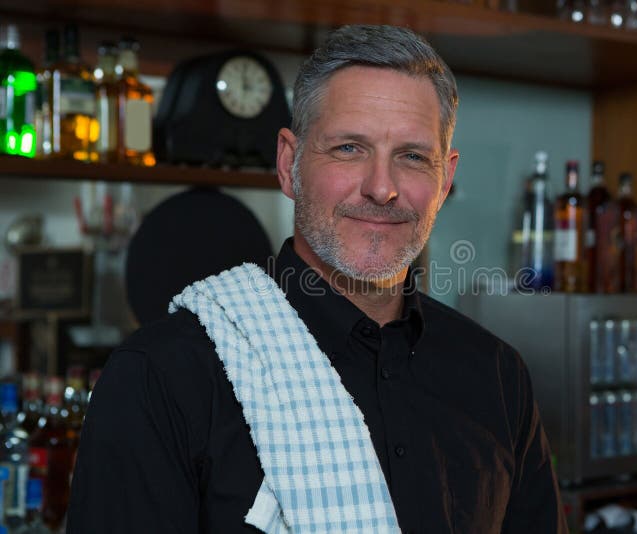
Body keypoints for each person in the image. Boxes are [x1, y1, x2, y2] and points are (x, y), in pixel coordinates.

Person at [67, 25, 567, 533]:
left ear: (446, 179)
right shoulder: (162, 376)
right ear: (289, 165)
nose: (381, 188)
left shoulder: (497, 375)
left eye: (412, 156)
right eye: (349, 148)